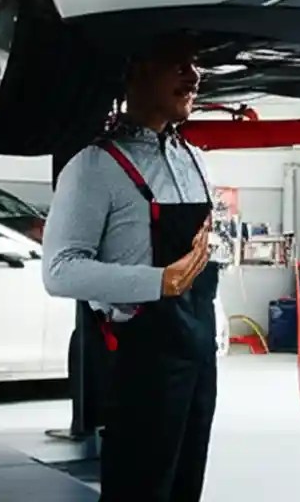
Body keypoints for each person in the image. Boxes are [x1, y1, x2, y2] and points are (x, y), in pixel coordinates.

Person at [42, 32, 220, 502]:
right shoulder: (94, 166)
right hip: (142, 361)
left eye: (194, 64)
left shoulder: (196, 162)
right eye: (178, 64)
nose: (194, 76)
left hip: (199, 353)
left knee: (186, 487)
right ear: (137, 69)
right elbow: (59, 270)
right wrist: (159, 281)